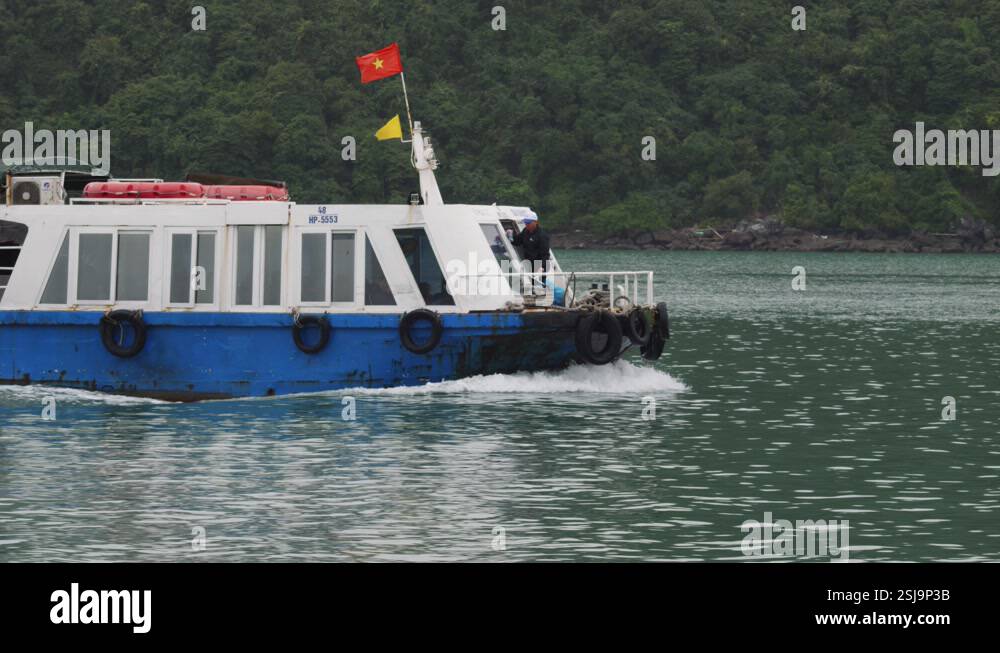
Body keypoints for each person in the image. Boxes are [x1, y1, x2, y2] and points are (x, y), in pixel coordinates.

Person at [510, 212, 551, 289]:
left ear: (535, 222)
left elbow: (545, 254)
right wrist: (511, 237)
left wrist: (542, 267)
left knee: (538, 286)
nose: (526, 224)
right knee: (530, 285)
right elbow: (517, 241)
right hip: (528, 264)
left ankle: (542, 296)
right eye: (525, 222)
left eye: (528, 223)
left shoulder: (542, 235)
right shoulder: (525, 231)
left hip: (539, 265)